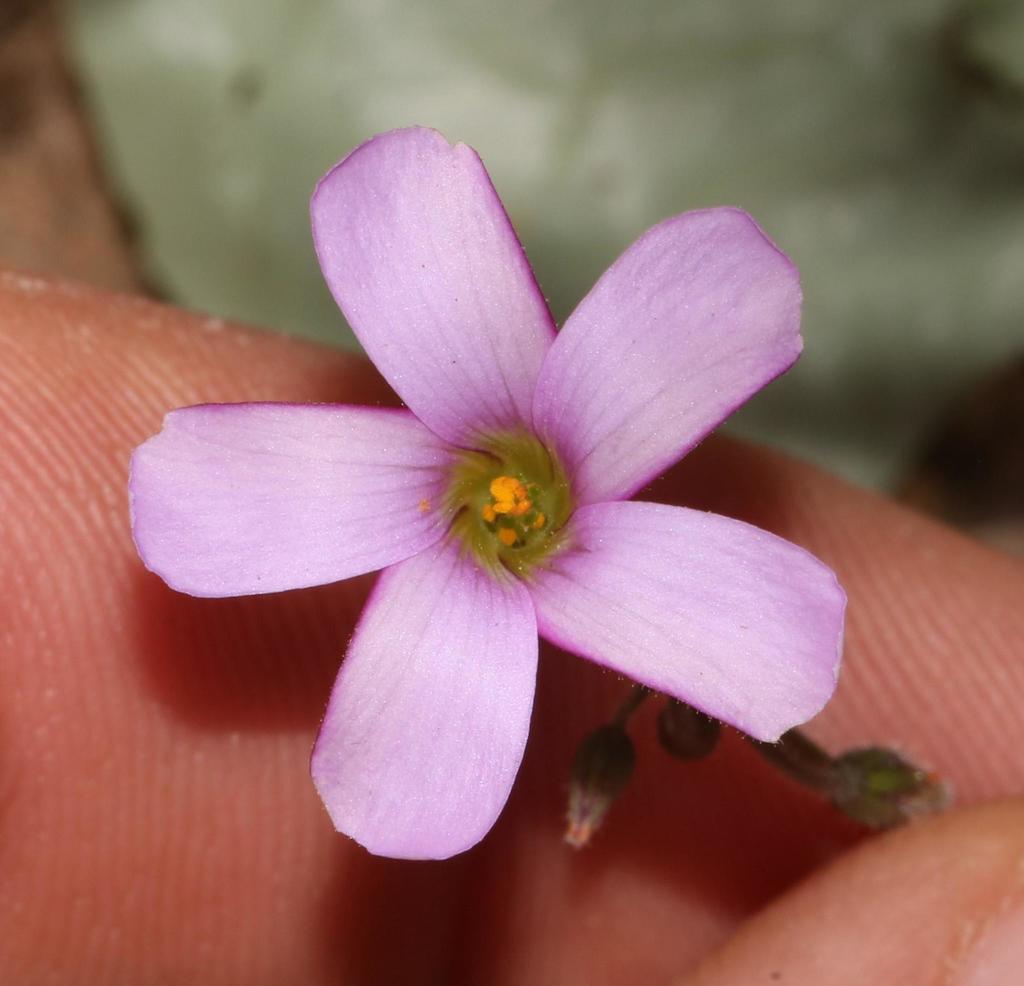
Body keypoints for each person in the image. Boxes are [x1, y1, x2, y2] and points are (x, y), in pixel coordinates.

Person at [1, 270, 1022, 984]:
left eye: (521, 501)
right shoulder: (487, 514)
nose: (513, 505)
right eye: (510, 503)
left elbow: (725, 303)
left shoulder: (534, 500)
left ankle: (880, 793)